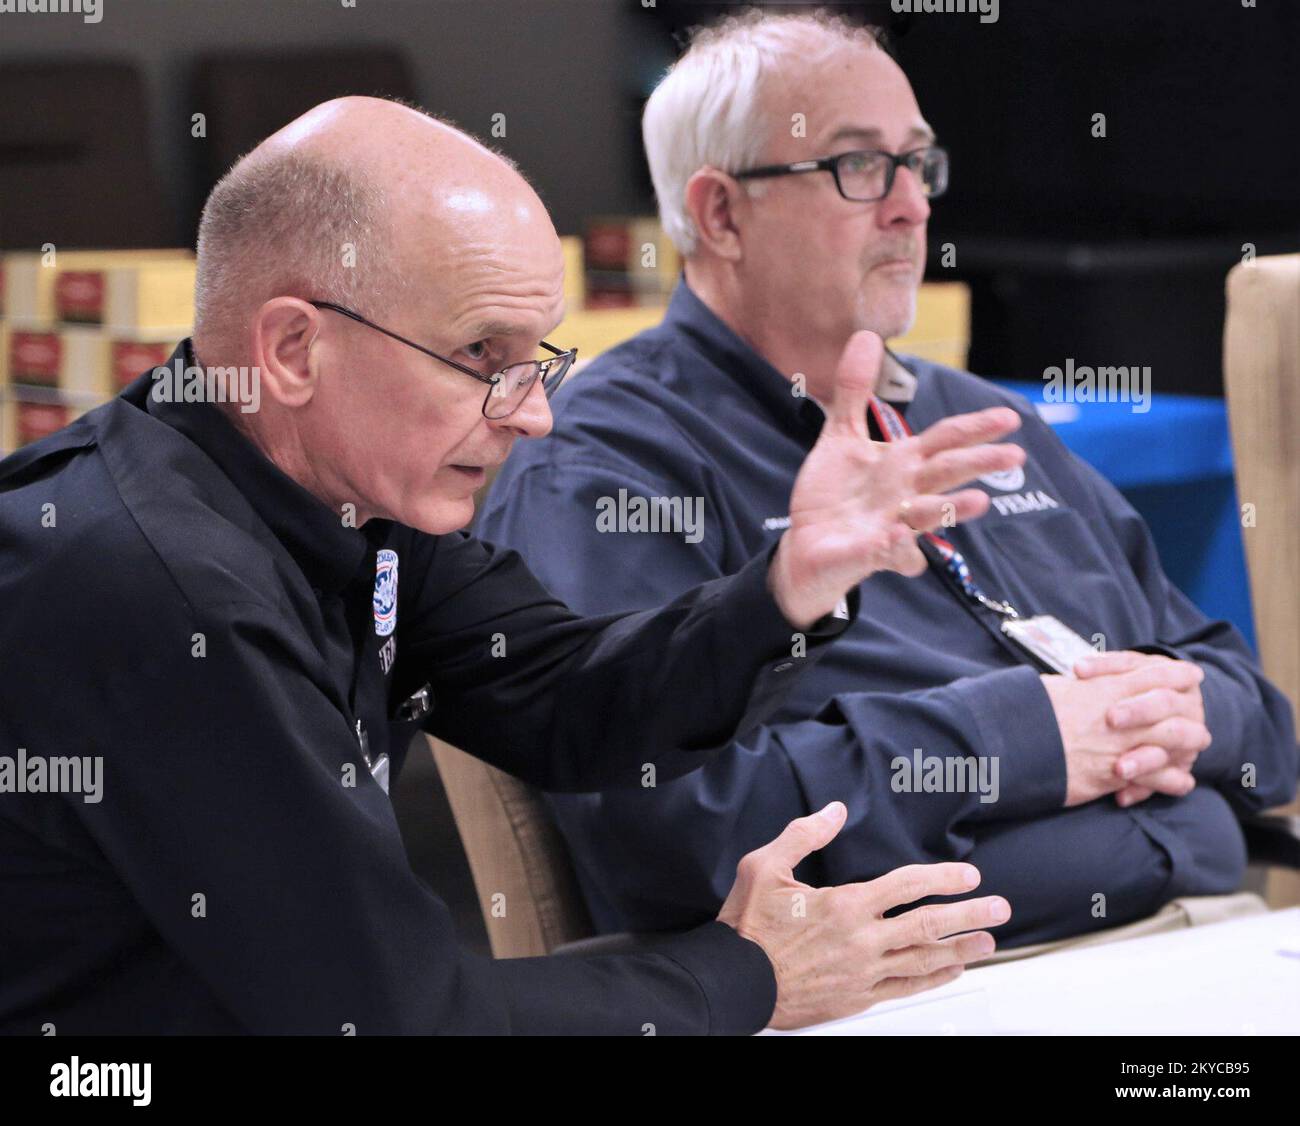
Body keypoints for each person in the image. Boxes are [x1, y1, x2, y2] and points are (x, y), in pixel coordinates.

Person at [0, 96, 1028, 1035]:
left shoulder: (336, 490)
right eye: (485, 356)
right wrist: (747, 974)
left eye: (539, 358)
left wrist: (787, 584)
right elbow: (398, 1018)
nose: (533, 413)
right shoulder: (156, 588)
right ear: (293, 350)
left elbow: (567, 698)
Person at [477, 9, 1298, 949]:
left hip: (1205, 938)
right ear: (720, 213)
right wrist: (1021, 742)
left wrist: (1179, 714)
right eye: (858, 166)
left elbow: (1264, 727)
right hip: (927, 985)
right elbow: (673, 830)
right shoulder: (604, 460)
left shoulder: (978, 416)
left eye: (920, 163)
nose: (913, 204)